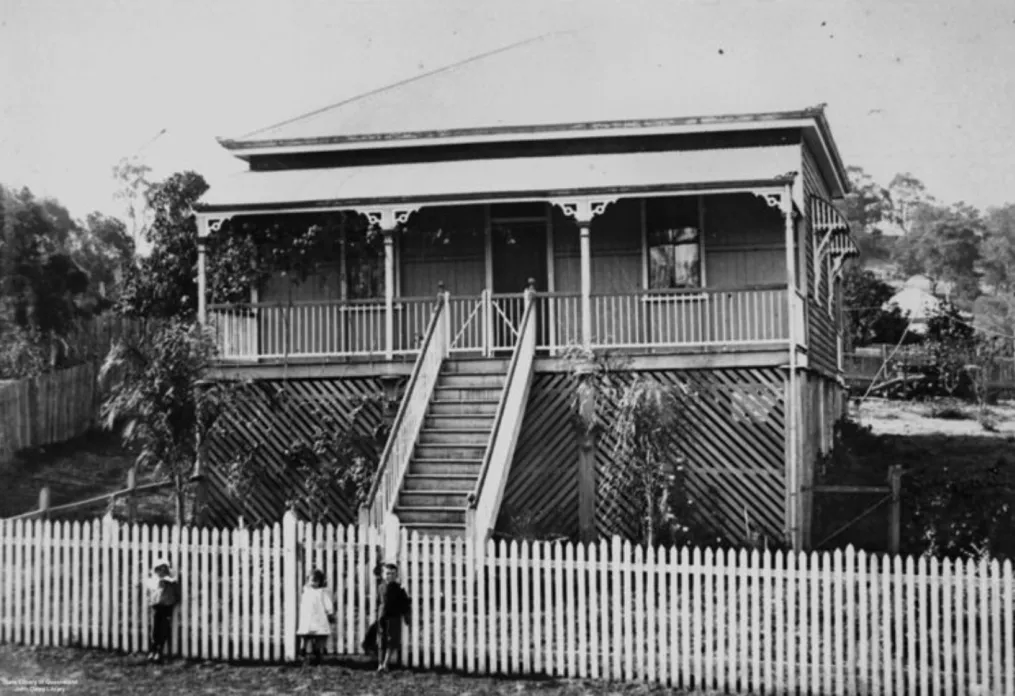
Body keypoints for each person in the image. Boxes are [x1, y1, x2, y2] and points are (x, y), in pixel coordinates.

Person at [376, 563, 410, 673]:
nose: (389, 576)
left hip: (393, 617)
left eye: (392, 574)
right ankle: (380, 664)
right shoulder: (380, 587)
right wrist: (378, 614)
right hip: (382, 617)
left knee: (391, 640)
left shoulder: (399, 588)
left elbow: (404, 603)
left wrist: (406, 615)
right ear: (383, 575)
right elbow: (379, 602)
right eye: (387, 573)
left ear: (396, 575)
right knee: (381, 640)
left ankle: (386, 664)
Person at [296, 568, 335, 666]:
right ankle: (302, 653)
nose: (313, 583)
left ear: (320, 582)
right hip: (308, 618)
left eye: (316, 581)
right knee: (304, 636)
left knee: (319, 637)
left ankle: (317, 656)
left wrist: (330, 613)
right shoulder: (305, 591)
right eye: (311, 580)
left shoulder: (322, 592)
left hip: (318, 618)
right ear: (307, 580)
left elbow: (327, 603)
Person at [144, 558, 179, 662]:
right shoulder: (154, 581)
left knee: (163, 628)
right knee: (155, 629)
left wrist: (173, 600)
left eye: (164, 569)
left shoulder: (171, 581)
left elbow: (176, 594)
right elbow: (151, 593)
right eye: (159, 569)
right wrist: (151, 600)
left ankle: (159, 651)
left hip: (166, 606)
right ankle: (153, 649)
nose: (161, 572)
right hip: (157, 606)